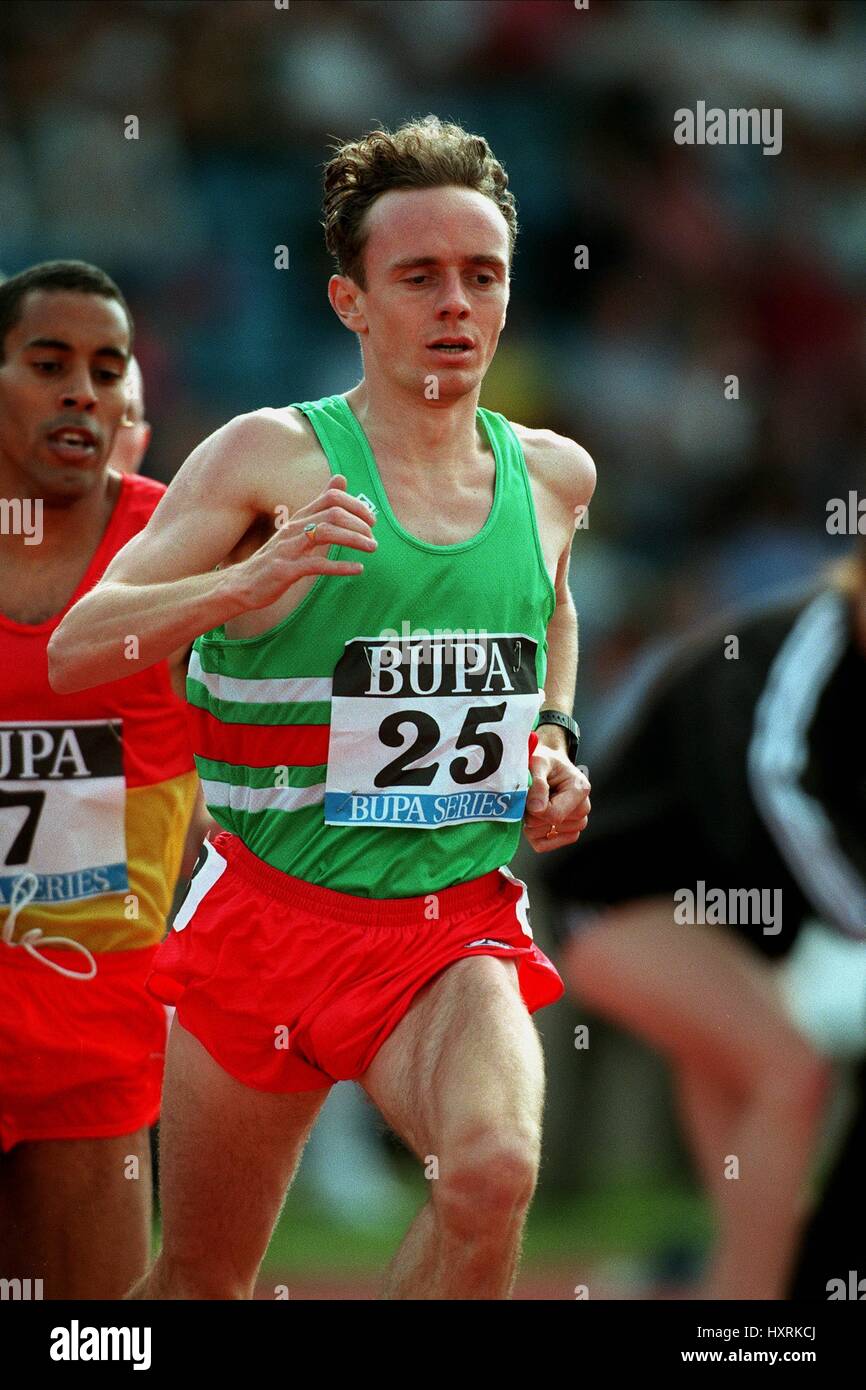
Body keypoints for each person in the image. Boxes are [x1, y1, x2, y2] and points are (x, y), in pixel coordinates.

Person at [49, 115, 595, 1300]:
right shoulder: (271, 461)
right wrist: (247, 581)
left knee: (491, 1173)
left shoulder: (553, 474)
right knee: (200, 1275)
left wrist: (551, 733)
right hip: (268, 919)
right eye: (418, 276)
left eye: (481, 274)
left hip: (450, 929)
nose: (455, 303)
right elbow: (79, 648)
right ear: (349, 301)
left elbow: (549, 610)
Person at [540, 544, 866, 1300]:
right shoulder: (802, 645)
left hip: (726, 927)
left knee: (761, 1175)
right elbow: (777, 785)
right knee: (790, 1072)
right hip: (619, 901)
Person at [0, 261, 198, 1298]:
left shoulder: (182, 547)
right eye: (48, 362)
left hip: (93, 1042)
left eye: (106, 367)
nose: (83, 389)